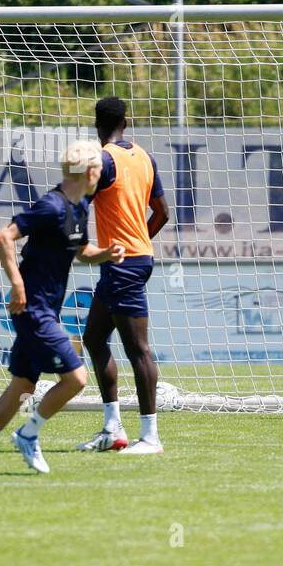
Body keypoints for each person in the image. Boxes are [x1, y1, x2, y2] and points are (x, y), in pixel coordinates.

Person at [0, 141, 125, 475]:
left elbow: (82, 252)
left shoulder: (79, 207)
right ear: (92, 172)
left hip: (44, 309)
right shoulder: (50, 205)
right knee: (77, 378)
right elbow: (6, 238)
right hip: (33, 308)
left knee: (22, 386)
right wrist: (17, 284)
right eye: (101, 169)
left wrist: (107, 252)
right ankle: (29, 432)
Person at [78, 96, 170, 454]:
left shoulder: (102, 160)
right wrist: (139, 240)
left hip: (122, 262)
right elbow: (162, 212)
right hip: (135, 257)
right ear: (126, 123)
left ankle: (150, 437)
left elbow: (79, 204)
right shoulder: (145, 157)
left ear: (97, 125)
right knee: (94, 338)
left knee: (138, 350)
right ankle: (113, 429)